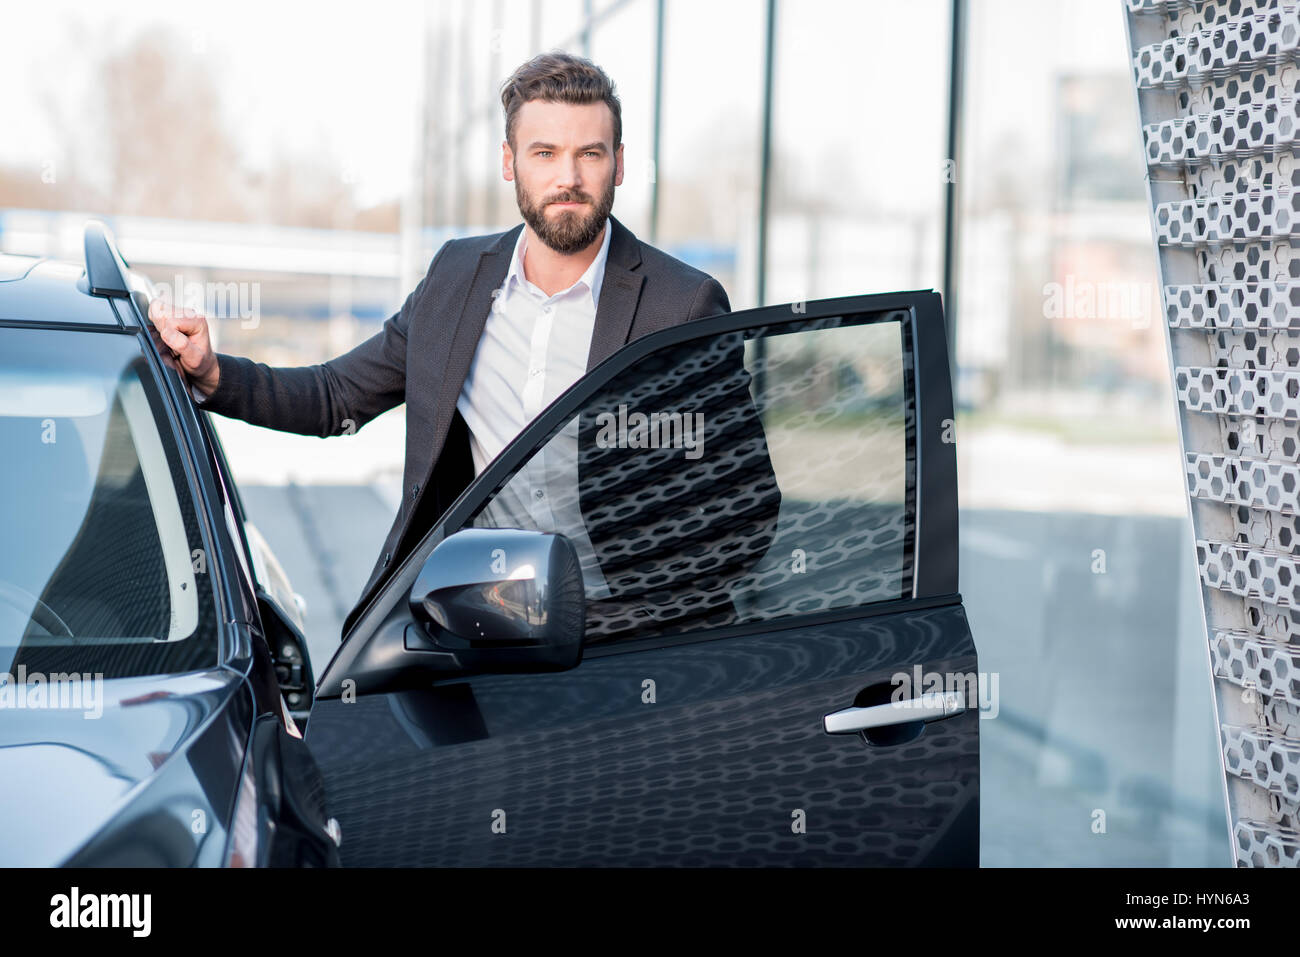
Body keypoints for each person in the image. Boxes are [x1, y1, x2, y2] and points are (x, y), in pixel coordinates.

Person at [151, 51, 778, 639]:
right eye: (544, 153)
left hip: (627, 642)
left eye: (589, 153)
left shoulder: (681, 304)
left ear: (619, 159)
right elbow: (333, 395)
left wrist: (640, 620)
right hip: (476, 628)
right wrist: (212, 374)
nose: (568, 177)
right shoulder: (456, 279)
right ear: (510, 162)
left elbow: (747, 511)